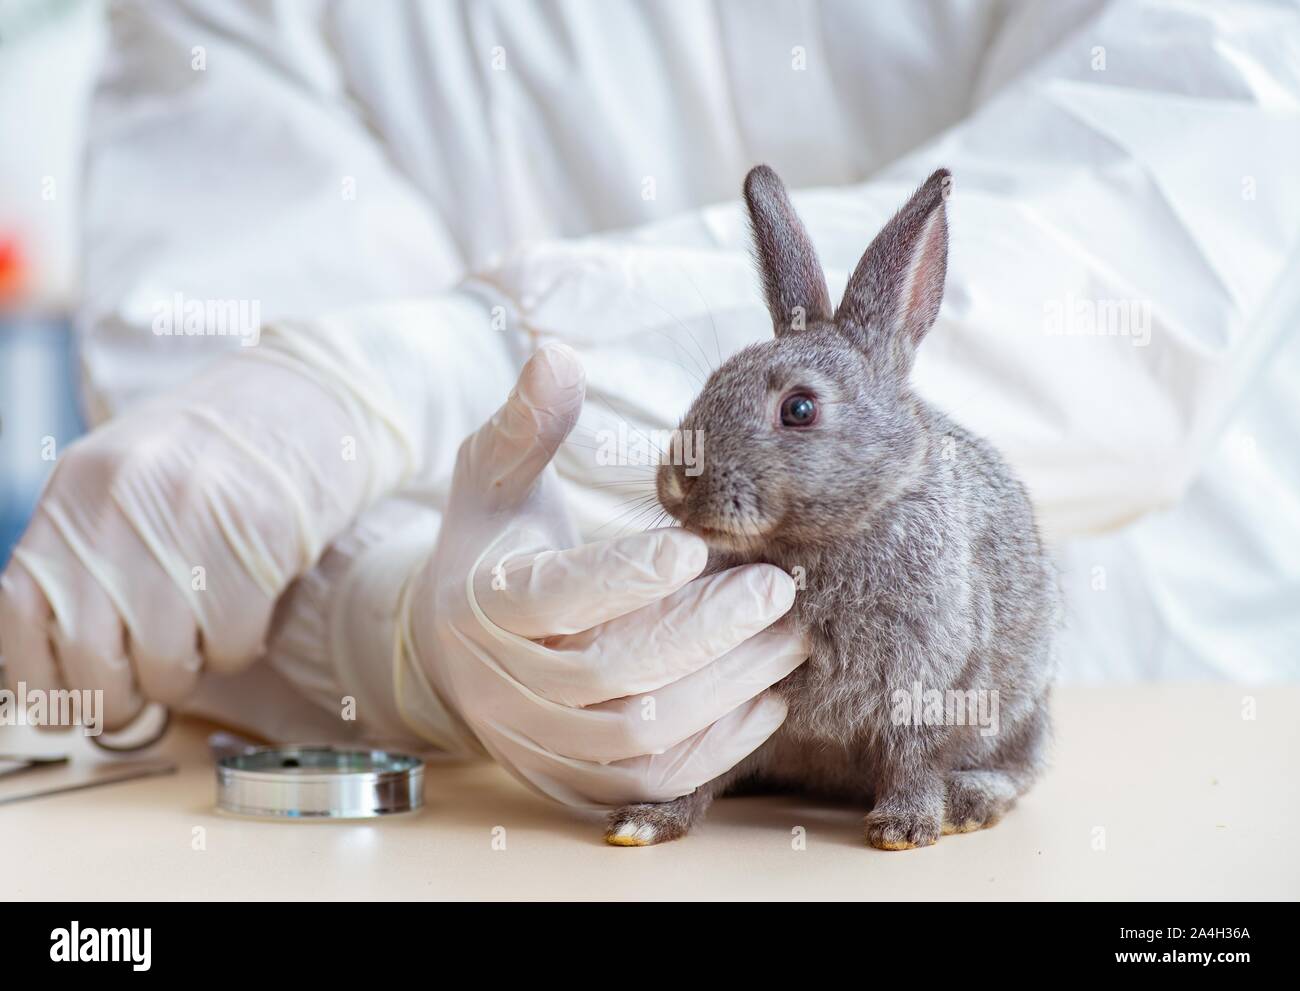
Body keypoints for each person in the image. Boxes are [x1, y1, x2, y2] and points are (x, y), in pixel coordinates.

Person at [2, 0, 1295, 810]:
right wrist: (394, 624)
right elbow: (210, 466)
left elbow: (1153, 243)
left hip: (1160, 746)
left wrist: (444, 362)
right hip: (539, 818)